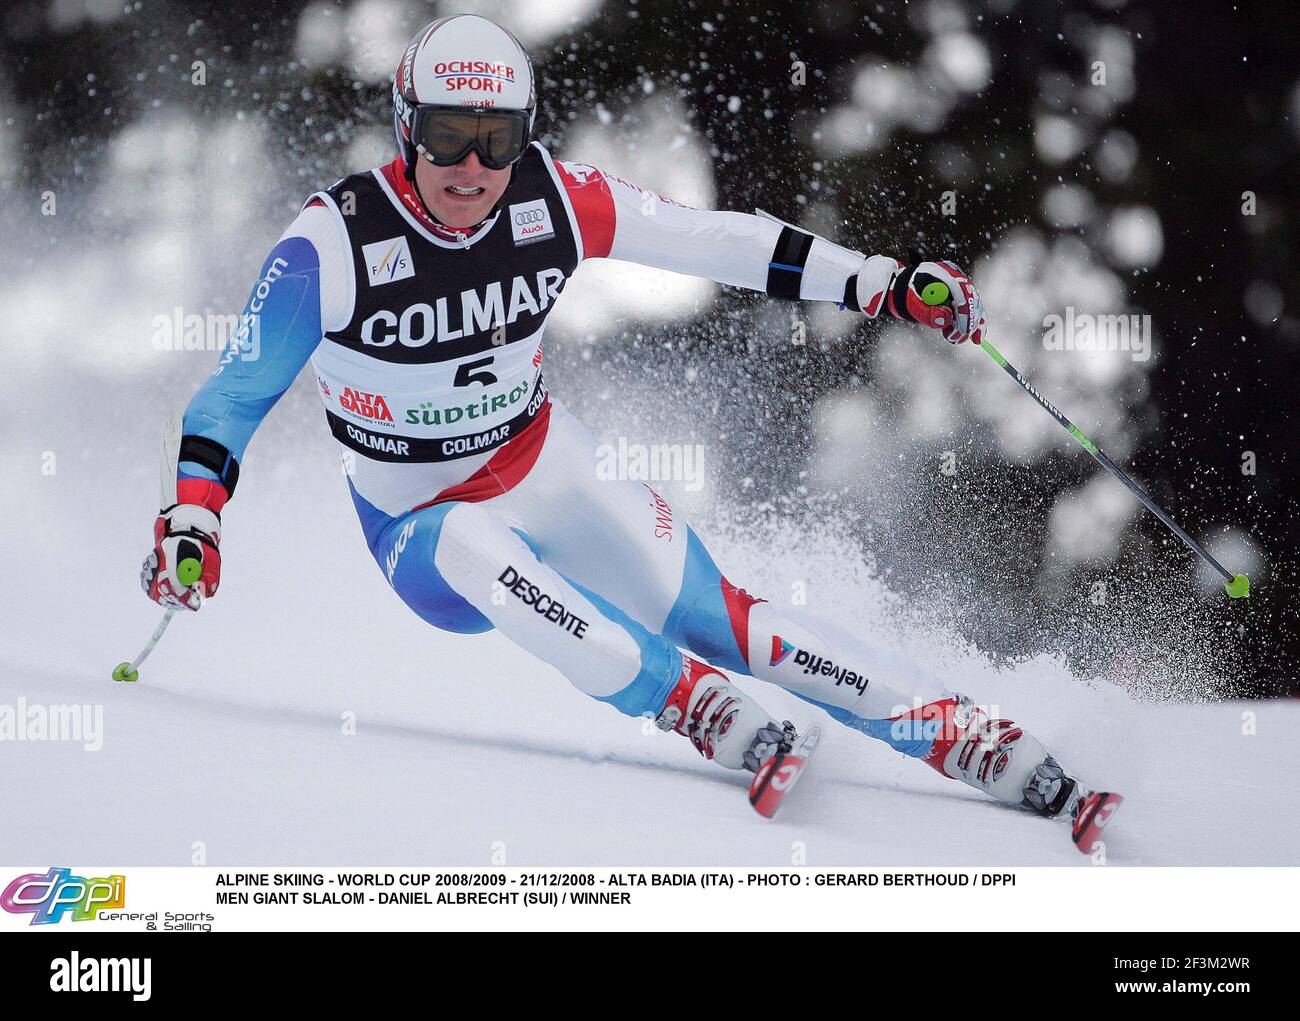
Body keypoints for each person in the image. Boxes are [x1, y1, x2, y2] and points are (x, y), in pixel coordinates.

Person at [141, 14, 1111, 834]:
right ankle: (691, 705)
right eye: (447, 135)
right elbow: (234, 392)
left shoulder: (553, 200)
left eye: (498, 136)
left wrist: (880, 283)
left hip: (536, 461)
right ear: (404, 130)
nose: (473, 167)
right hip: (415, 520)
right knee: (471, 541)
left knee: (720, 617)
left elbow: (713, 240)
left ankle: (965, 734)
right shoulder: (336, 241)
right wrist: (195, 515)